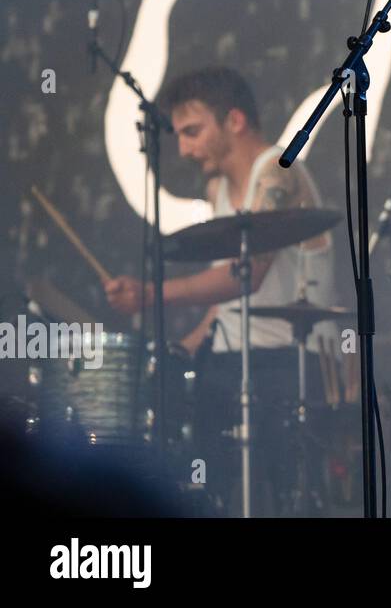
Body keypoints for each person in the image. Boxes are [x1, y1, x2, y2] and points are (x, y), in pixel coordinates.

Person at [102, 66, 338, 514]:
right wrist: (178, 353)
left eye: (192, 132)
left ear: (234, 120)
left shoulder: (278, 172)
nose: (184, 148)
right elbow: (226, 304)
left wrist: (150, 294)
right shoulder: (218, 190)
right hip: (229, 361)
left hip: (289, 365)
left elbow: (242, 277)